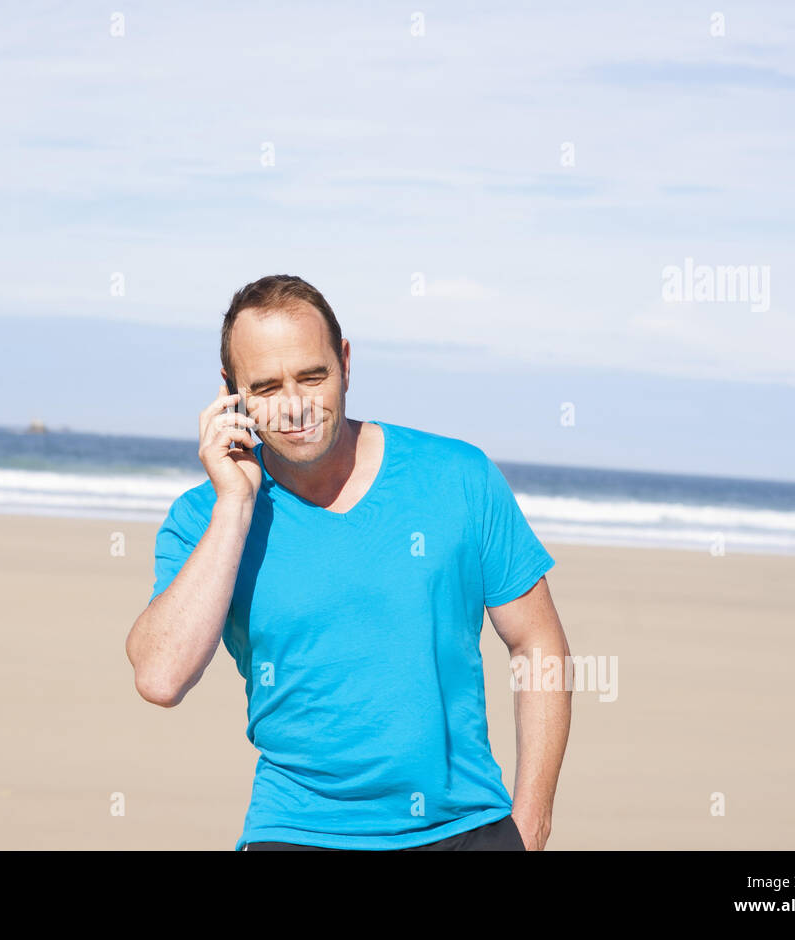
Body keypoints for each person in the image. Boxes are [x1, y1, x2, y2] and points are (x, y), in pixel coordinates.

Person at [125, 275, 572, 851]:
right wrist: (237, 505)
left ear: (345, 361)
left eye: (313, 376)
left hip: (466, 829)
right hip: (297, 829)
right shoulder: (203, 519)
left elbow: (539, 645)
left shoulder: (458, 477)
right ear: (230, 391)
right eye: (265, 386)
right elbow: (160, 678)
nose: (295, 406)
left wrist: (531, 826)